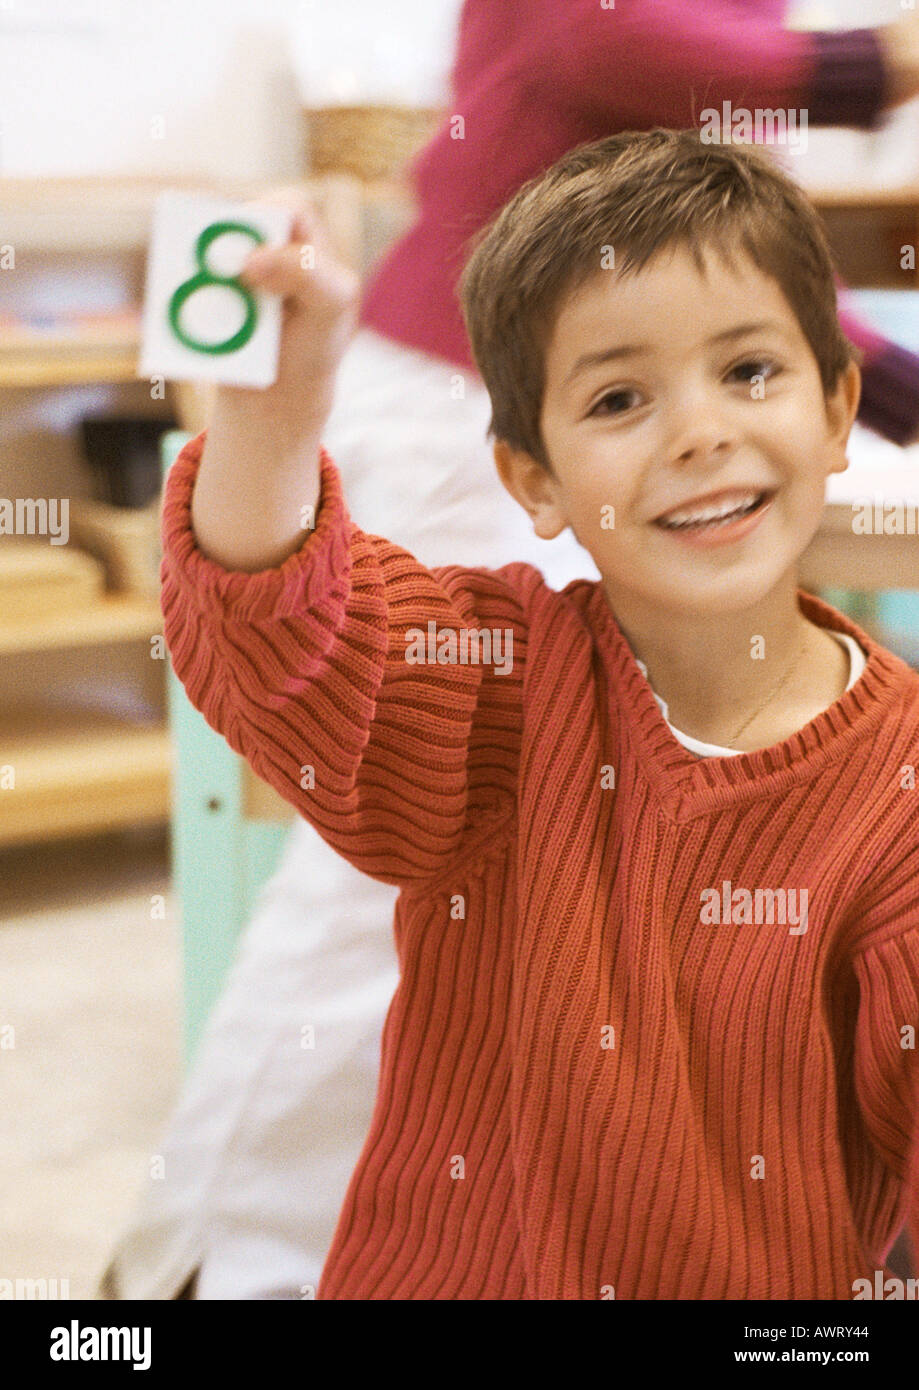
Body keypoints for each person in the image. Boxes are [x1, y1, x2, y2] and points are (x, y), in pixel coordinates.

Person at [102, 0, 919, 1299]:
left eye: (760, 381)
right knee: (378, 881)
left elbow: (710, 280)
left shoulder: (890, 789)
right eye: (629, 400)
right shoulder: (509, 678)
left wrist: (869, 367)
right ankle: (208, 1264)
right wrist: (876, 60)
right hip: (450, 374)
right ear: (535, 475)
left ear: (827, 415)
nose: (705, 433)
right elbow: (593, 45)